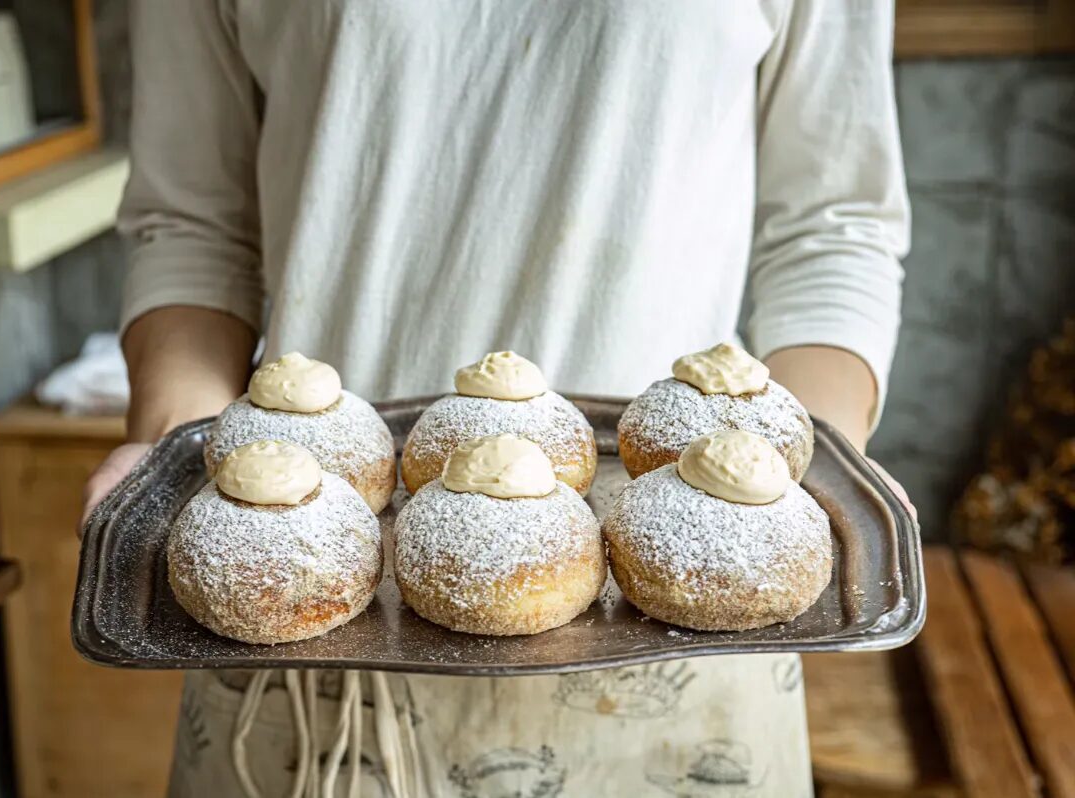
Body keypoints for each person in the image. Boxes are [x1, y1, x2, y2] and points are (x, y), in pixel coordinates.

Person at [84, 1, 915, 795]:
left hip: (685, 663)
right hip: (302, 648)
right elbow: (190, 221)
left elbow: (833, 225)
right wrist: (170, 444)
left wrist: (815, 472)